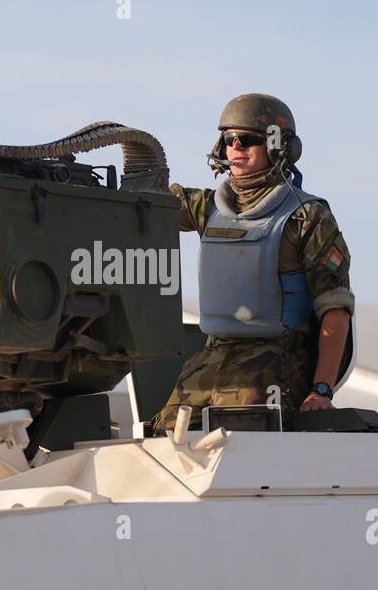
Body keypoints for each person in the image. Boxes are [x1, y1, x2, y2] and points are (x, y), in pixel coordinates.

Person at [151, 93, 354, 432]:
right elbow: (151, 205)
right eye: (230, 139)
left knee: (241, 437)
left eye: (248, 140)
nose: (236, 147)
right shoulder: (208, 208)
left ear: (279, 147)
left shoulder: (307, 217)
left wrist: (321, 389)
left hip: (276, 356)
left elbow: (335, 308)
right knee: (166, 434)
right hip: (214, 354)